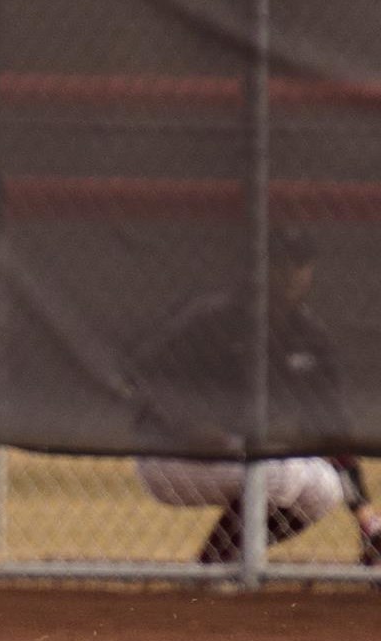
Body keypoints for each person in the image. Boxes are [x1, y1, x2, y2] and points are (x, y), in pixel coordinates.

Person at [130, 226, 380, 566]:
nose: (291, 272)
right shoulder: (211, 319)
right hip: (170, 455)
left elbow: (332, 433)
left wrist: (367, 519)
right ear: (261, 267)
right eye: (281, 262)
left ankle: (216, 565)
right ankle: (216, 567)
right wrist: (187, 427)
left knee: (323, 489)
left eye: (301, 262)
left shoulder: (311, 339)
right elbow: (144, 375)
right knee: (281, 474)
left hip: (240, 455)